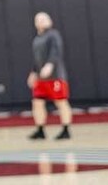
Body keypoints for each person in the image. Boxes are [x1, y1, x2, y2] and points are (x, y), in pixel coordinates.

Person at [27, 13, 72, 141]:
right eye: (39, 20)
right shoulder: (36, 39)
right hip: (41, 79)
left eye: (44, 19)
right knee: (37, 103)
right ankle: (40, 130)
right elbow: (36, 60)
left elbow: (56, 51)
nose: (42, 21)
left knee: (61, 102)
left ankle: (66, 129)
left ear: (50, 21)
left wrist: (50, 65)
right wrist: (33, 73)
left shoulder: (53, 35)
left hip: (55, 77)